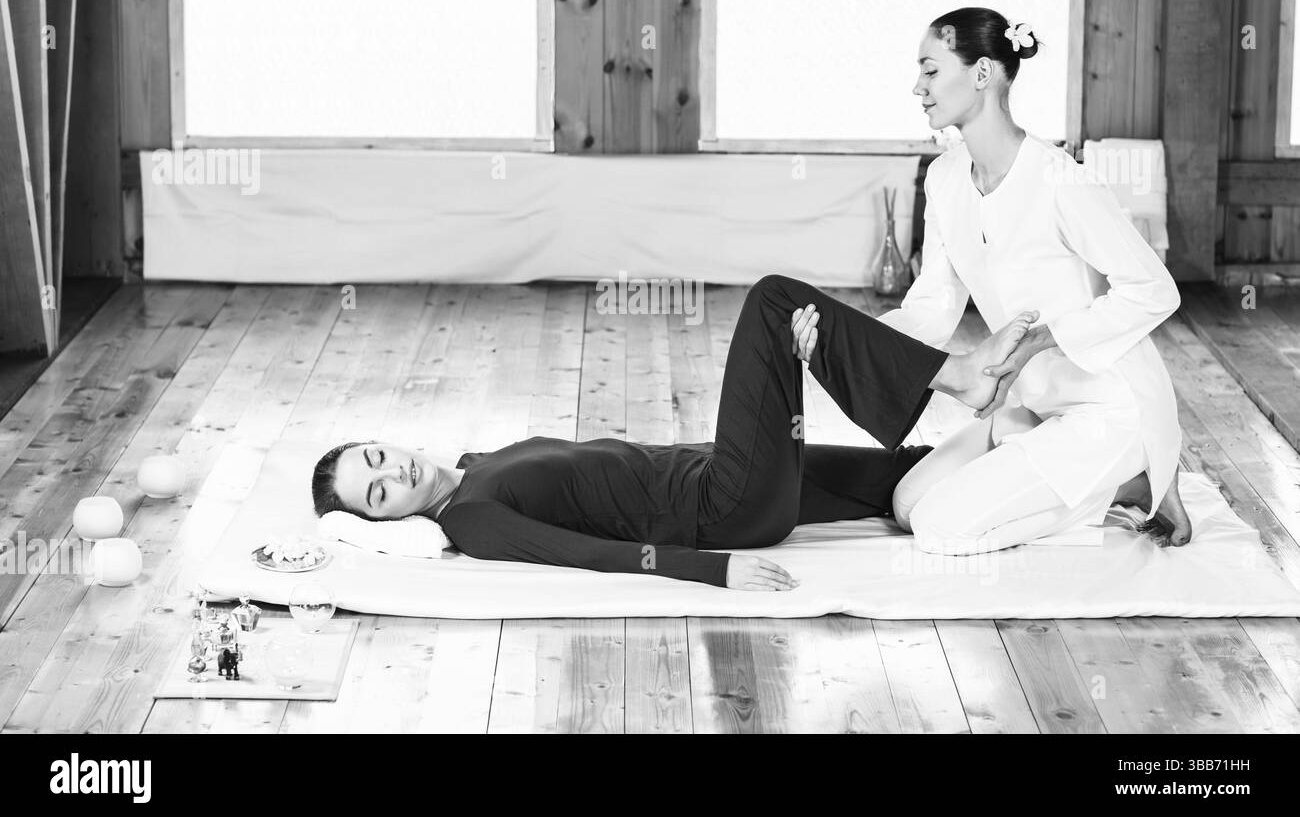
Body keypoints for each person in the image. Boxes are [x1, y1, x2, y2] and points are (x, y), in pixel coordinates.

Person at [312, 273, 1042, 590]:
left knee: (901, 478)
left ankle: (1091, 471)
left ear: (388, 440)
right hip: (726, 505)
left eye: (376, 459)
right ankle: (961, 375)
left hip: (719, 469)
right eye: (376, 495)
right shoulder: (472, 521)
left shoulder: (477, 464)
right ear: (387, 521)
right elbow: (589, 555)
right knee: (774, 304)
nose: (393, 475)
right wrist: (716, 571)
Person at [884, 6, 1192, 556]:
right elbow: (931, 307)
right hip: (1035, 408)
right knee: (908, 507)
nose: (917, 87)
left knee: (940, 526)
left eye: (930, 70)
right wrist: (851, 335)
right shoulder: (944, 178)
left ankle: (1134, 474)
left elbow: (1155, 290)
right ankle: (1115, 487)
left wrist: (1042, 338)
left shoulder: (1059, 181)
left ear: (981, 74)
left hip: (1109, 409)